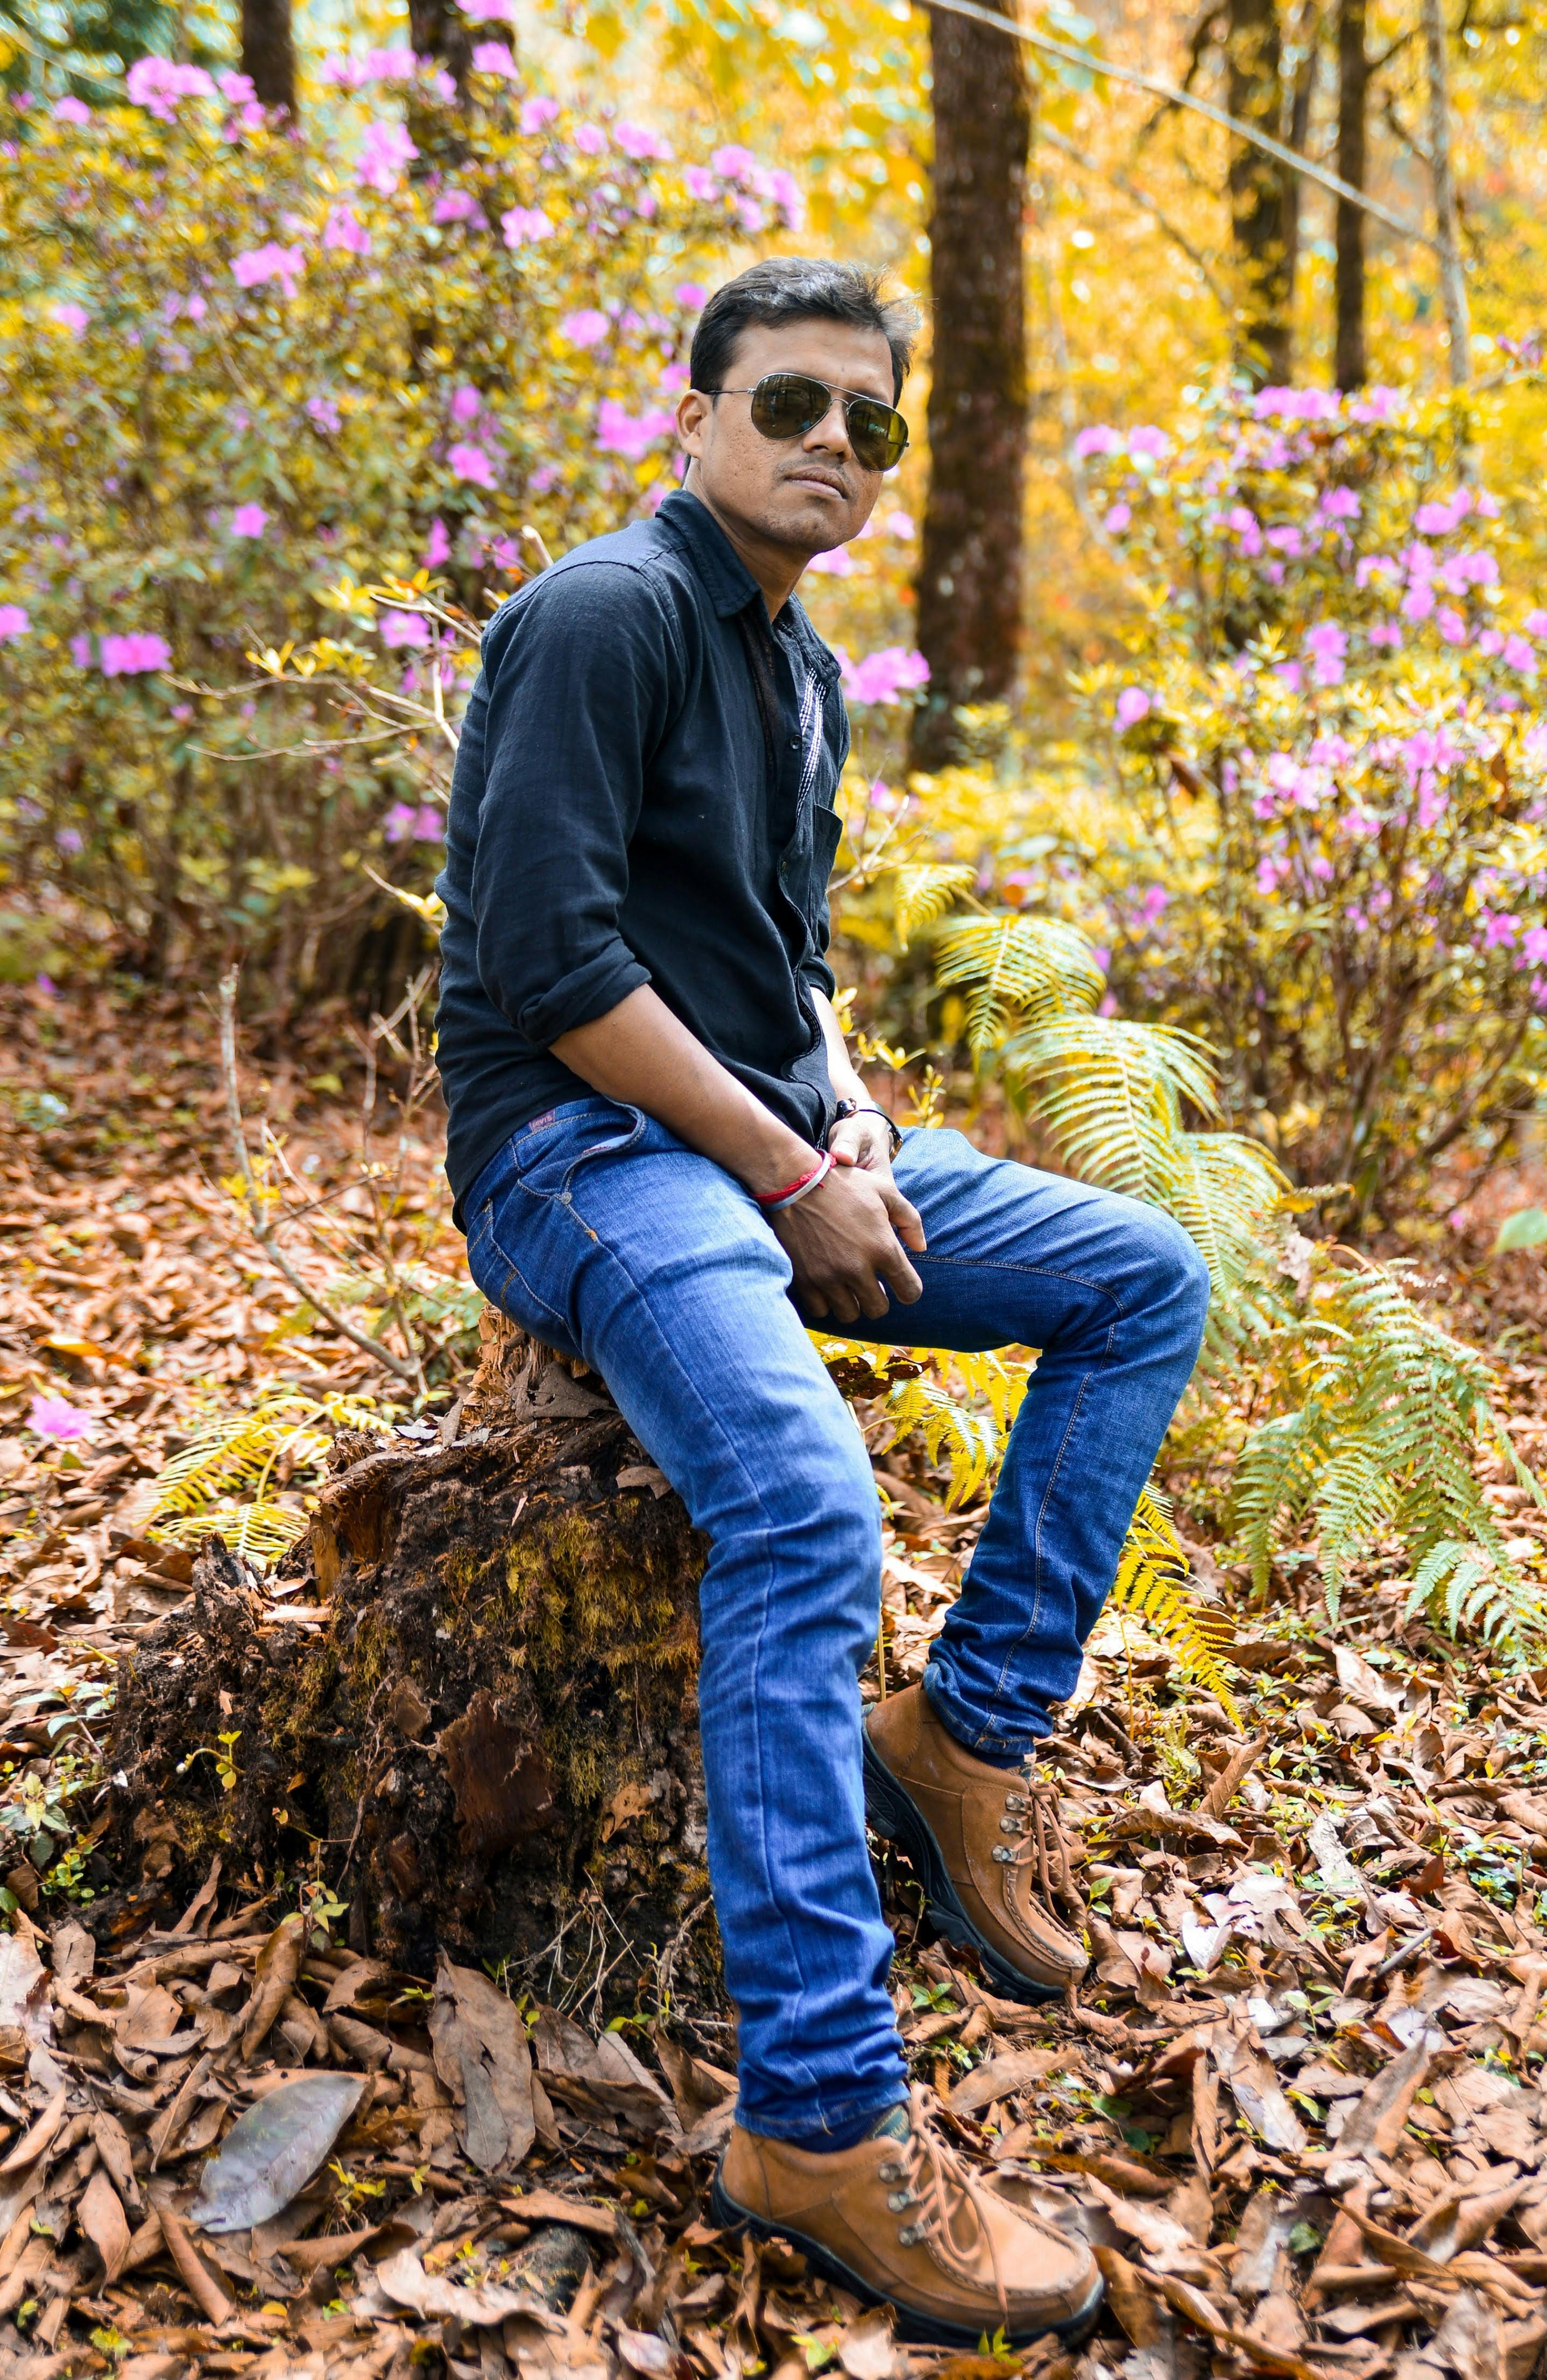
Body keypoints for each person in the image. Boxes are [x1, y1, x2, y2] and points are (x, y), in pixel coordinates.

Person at [436, 257, 1210, 2346]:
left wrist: (847, 1122)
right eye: (793, 402)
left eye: (872, 420)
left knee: (1144, 1274)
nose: (834, 448)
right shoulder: (608, 614)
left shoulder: (799, 667)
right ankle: (821, 2123)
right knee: (797, 1494)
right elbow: (549, 964)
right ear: (695, 413)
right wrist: (783, 1175)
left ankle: (957, 1748)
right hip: (580, 1157)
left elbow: (786, 975)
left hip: (768, 1137)